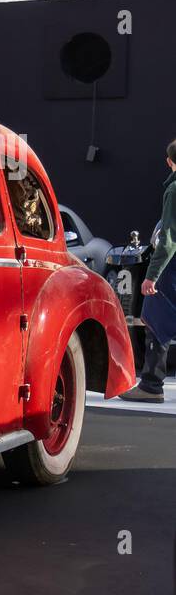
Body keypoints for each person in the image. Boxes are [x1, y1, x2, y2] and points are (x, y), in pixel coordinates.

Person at [121, 138, 176, 403]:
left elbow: (167, 238)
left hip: (171, 268)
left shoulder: (174, 190)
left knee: (155, 320)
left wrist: (152, 275)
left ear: (169, 162)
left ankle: (151, 385)